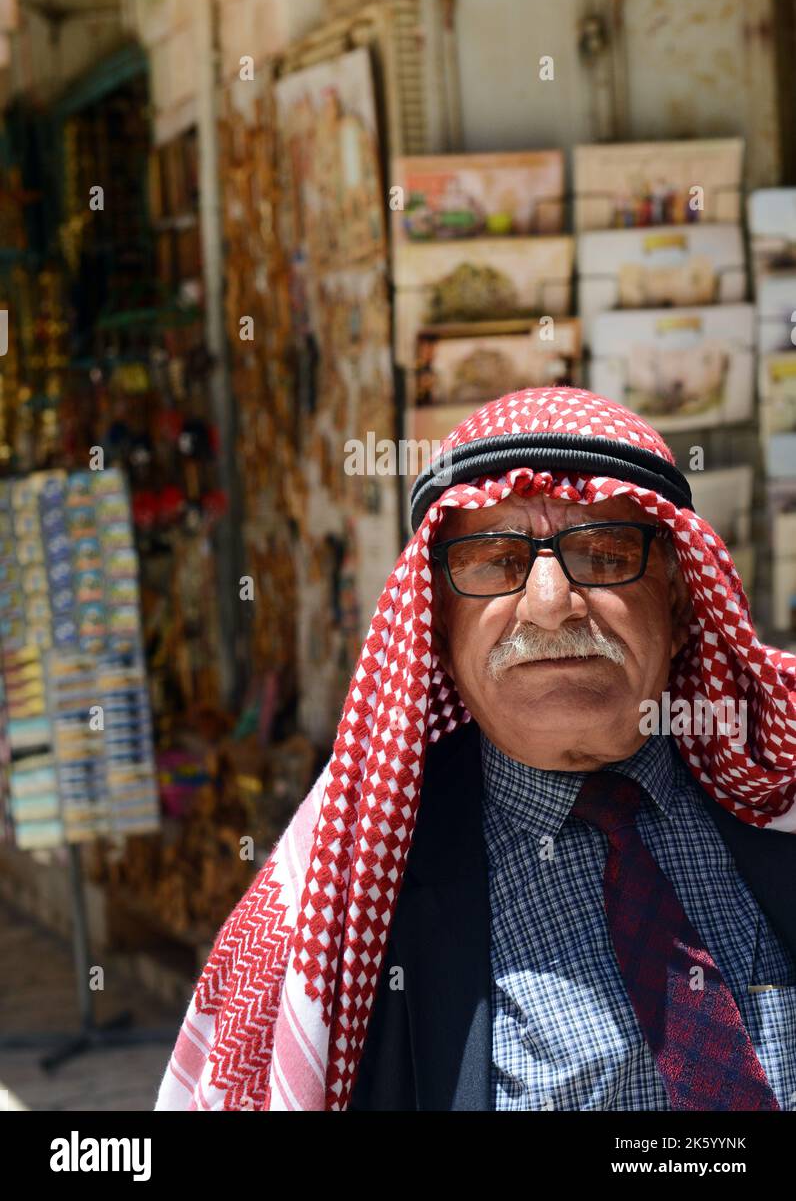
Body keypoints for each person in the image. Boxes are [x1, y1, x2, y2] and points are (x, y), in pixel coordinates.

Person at [155, 386, 796, 1112]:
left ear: (681, 606)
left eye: (604, 553)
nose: (550, 603)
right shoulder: (340, 907)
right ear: (438, 627)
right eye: (494, 562)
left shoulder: (774, 796)